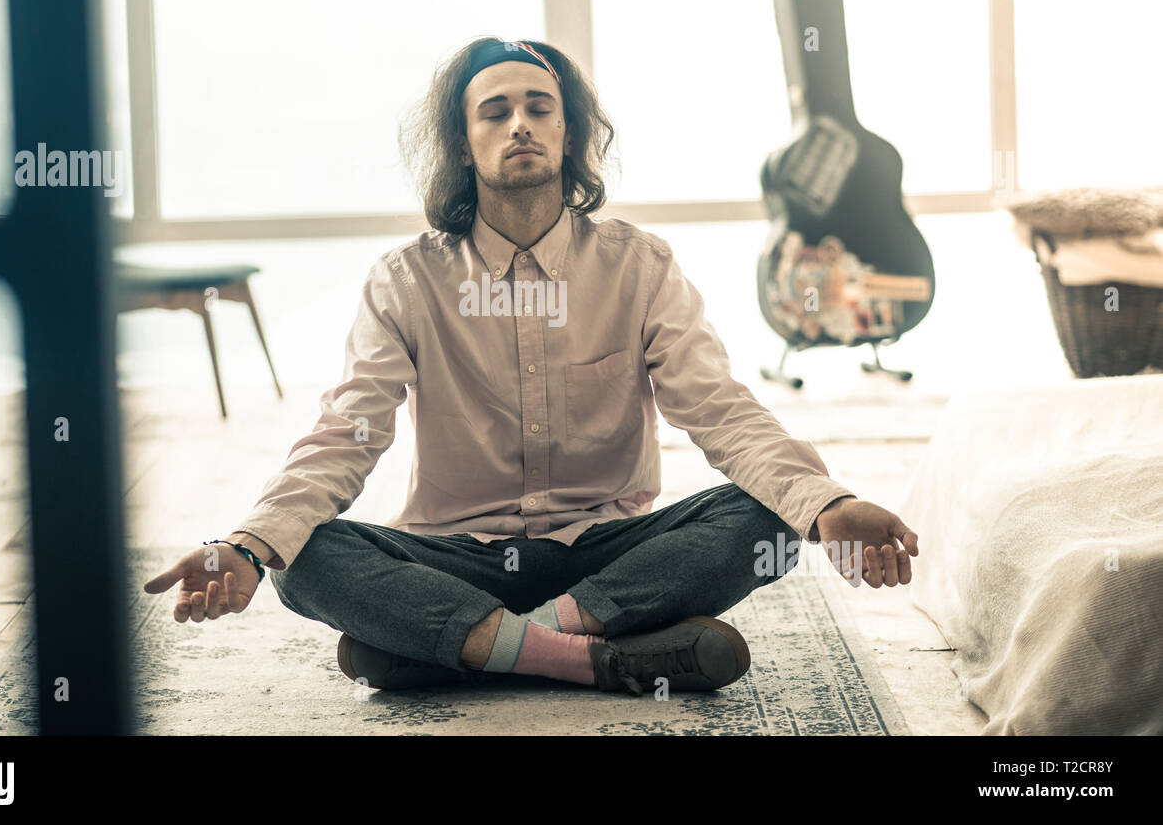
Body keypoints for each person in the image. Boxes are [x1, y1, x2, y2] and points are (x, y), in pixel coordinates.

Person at [144, 36, 919, 695]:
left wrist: (827, 503)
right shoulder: (406, 279)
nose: (520, 124)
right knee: (301, 555)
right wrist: (246, 546)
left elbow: (720, 409)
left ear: (570, 133)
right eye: (496, 110)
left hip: (609, 555)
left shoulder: (640, 266)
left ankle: (469, 651)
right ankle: (585, 659)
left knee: (770, 516)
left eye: (539, 108)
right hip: (458, 558)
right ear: (463, 141)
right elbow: (344, 436)